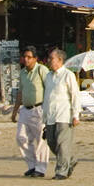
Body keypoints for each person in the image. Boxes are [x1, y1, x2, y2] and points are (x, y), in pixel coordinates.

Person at [12, 46, 51, 178]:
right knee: (21, 137)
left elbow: (49, 88)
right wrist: (14, 111)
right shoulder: (22, 73)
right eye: (25, 57)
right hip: (25, 109)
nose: (26, 60)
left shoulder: (42, 70)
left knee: (41, 139)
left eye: (29, 57)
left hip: (39, 108)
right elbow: (20, 92)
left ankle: (40, 168)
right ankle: (32, 165)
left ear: (35, 59)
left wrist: (49, 108)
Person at [42, 49, 80, 179]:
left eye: (51, 58)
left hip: (64, 115)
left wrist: (76, 114)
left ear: (60, 60)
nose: (49, 61)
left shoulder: (68, 75)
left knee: (63, 144)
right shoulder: (48, 76)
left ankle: (61, 171)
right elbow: (47, 96)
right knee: (51, 142)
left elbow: (75, 95)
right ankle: (70, 160)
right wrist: (44, 115)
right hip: (50, 115)